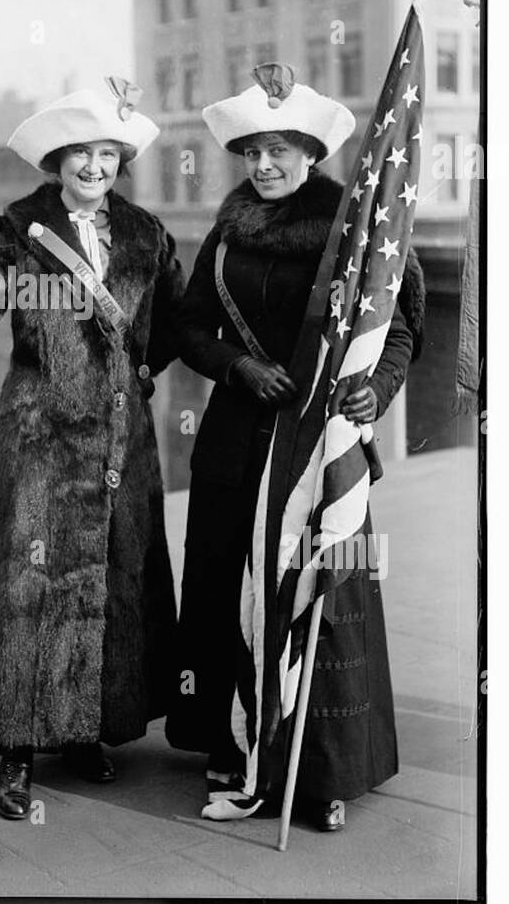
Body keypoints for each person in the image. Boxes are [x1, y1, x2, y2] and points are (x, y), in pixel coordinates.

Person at [0, 81, 184, 820]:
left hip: (119, 444)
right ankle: (14, 751)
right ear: (56, 158)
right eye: (80, 152)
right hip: (39, 444)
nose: (93, 166)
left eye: (107, 153)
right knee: (28, 590)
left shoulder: (146, 234)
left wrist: (135, 374)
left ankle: (86, 731)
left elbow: (172, 325)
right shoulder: (10, 232)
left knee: (110, 584)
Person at [165, 62, 424, 831]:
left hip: (319, 450)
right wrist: (237, 366)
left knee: (320, 596)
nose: (264, 166)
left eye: (280, 150)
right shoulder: (224, 232)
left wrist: (374, 392)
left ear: (311, 154)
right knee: (225, 590)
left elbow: (399, 328)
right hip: (236, 446)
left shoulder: (357, 229)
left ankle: (322, 769)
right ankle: (230, 739)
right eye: (251, 153)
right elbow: (186, 328)